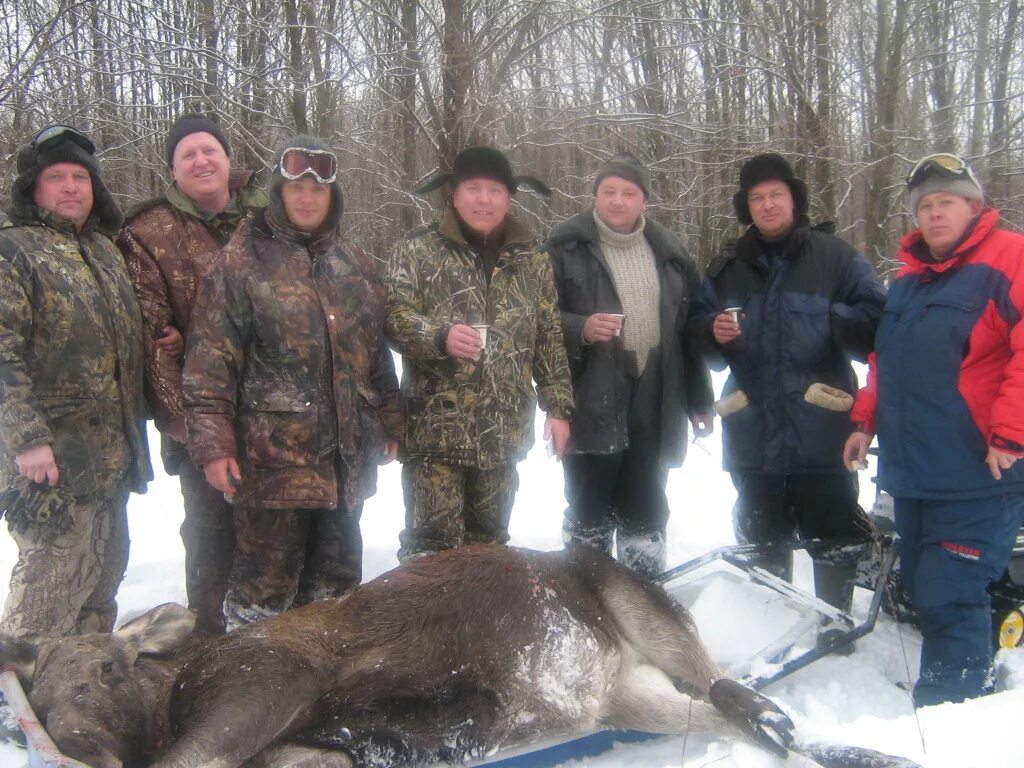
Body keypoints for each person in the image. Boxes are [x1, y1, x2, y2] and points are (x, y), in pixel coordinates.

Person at [183, 135, 401, 628]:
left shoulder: (357, 265)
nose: (307, 198)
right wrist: (215, 445)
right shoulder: (240, 263)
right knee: (264, 597)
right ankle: (250, 691)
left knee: (338, 597)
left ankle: (327, 697)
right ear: (278, 193)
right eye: (296, 188)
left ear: (333, 197)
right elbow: (208, 364)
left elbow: (376, 356)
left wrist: (390, 417)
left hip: (345, 469)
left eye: (318, 190)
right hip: (272, 469)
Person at [843, 154, 1024, 706]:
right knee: (923, 584)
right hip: (916, 470)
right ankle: (955, 675)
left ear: (974, 206)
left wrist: (1010, 433)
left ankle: (952, 705)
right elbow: (884, 360)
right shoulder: (910, 278)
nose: (934, 214)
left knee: (951, 589)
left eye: (946, 202)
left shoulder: (1011, 259)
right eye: (925, 205)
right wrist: (864, 419)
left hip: (979, 469)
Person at [697, 153, 885, 619]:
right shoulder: (726, 267)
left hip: (821, 426)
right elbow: (696, 335)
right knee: (762, 532)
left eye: (776, 195)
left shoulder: (837, 258)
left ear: (794, 201)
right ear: (747, 207)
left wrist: (833, 319)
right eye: (756, 198)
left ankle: (835, 622)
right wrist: (709, 332)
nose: (767, 205)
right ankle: (771, 620)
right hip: (752, 425)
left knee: (834, 530)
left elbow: (878, 321)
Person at [117, 113, 268, 635]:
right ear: (174, 171)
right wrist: (191, 430)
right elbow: (152, 340)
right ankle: (209, 653)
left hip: (281, 419)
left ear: (229, 161)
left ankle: (274, 656)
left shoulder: (272, 217)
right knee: (211, 540)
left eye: (210, 151)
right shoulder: (148, 233)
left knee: (277, 544)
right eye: (188, 155)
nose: (201, 161)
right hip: (202, 419)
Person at [386, 146, 574, 561]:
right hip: (435, 435)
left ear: (509, 198)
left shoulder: (533, 259)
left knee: (489, 553)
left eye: (494, 190)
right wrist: (438, 336)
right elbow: (393, 318)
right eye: (473, 188)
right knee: (429, 557)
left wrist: (558, 407)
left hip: (502, 433)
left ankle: (481, 629)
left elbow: (548, 335)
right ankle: (427, 629)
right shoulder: (417, 251)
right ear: (454, 194)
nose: (484, 199)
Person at [0, 125, 152, 637]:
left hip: (110, 456)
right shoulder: (13, 251)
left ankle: (82, 701)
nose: (70, 187)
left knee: (101, 584)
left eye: (81, 177)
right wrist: (28, 439)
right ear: (34, 188)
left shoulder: (107, 253)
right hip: (53, 460)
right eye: (57, 177)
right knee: (46, 594)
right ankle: (14, 706)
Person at [544, 152, 714, 577]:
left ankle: (643, 601)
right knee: (589, 505)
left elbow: (687, 333)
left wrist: (699, 400)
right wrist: (580, 327)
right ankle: (587, 601)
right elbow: (537, 321)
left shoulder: (672, 255)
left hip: (657, 393)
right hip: (589, 392)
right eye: (608, 192)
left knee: (646, 504)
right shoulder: (564, 249)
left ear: (644, 201)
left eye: (628, 193)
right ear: (595, 197)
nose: (617, 201)